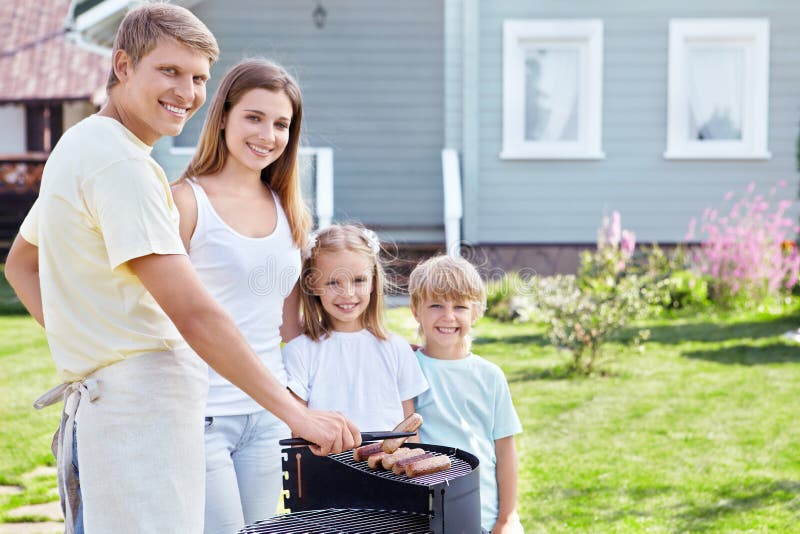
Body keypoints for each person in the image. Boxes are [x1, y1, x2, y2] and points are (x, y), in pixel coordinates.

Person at [4, 5, 358, 534]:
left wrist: (89, 348)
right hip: (142, 418)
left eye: (198, 78)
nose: (187, 93)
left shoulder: (80, 145)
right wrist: (300, 416)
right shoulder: (125, 165)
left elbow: (20, 264)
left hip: (117, 409)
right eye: (169, 71)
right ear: (122, 65)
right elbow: (194, 313)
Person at [171, 58, 307, 533]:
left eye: (281, 124)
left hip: (268, 413)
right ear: (224, 116)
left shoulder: (287, 208)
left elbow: (287, 323)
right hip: (201, 414)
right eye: (254, 117)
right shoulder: (185, 202)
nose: (267, 134)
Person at [408, 255, 524, 533]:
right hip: (428, 515)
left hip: (483, 514)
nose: (448, 316)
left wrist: (506, 517)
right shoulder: (409, 368)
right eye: (436, 305)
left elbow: (505, 451)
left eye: (460, 306)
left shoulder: (490, 375)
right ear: (416, 310)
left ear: (476, 312)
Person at [283, 224, 429, 431]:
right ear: (313, 284)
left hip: (387, 463)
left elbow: (409, 428)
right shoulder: (299, 352)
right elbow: (297, 433)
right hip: (322, 463)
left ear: (373, 282)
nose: (348, 293)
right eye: (334, 282)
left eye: (359, 280)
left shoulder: (396, 348)